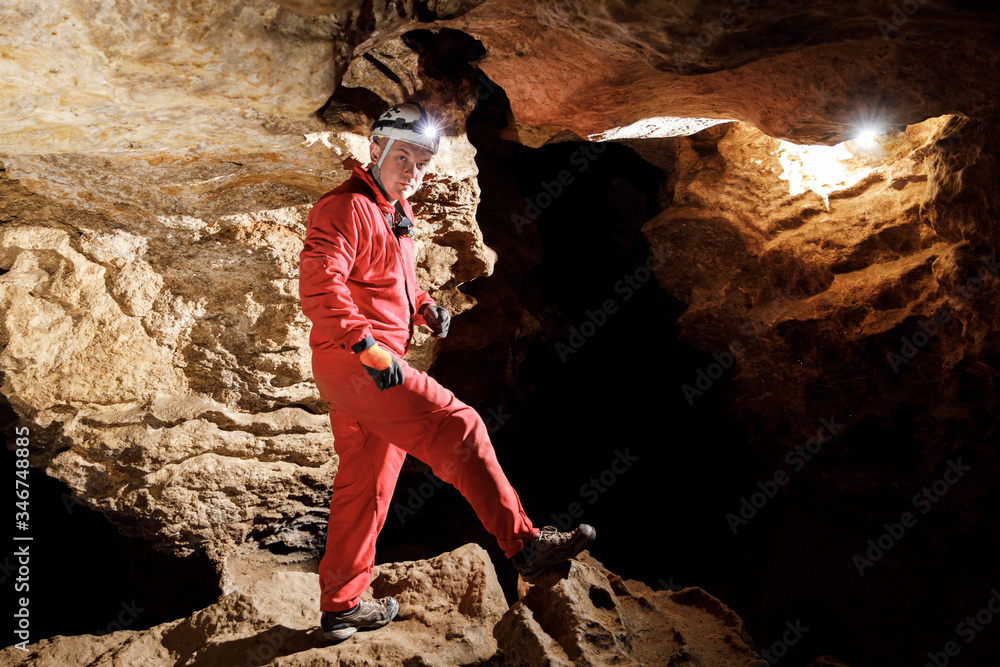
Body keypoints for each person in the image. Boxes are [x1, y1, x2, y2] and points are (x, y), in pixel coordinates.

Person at [298, 102, 596, 644]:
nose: (413, 170)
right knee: (460, 427)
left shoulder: (392, 211)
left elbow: (384, 280)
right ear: (376, 150)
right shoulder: (343, 207)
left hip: (363, 364)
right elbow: (321, 284)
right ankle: (524, 545)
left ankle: (340, 607)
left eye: (423, 162)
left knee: (364, 487)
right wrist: (368, 348)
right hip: (360, 363)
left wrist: (423, 306)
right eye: (404, 157)